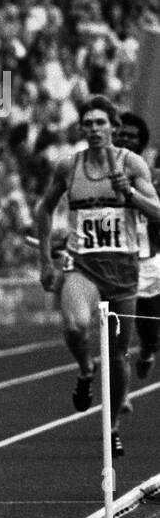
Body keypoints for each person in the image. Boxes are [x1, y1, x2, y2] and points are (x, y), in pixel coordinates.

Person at [34, 96, 160, 457]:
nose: (93, 129)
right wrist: (45, 260)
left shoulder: (131, 164)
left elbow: (157, 212)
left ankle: (113, 425)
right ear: (81, 128)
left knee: (118, 355)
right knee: (75, 327)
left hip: (123, 269)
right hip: (83, 265)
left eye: (100, 123)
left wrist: (130, 194)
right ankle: (85, 369)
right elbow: (44, 210)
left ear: (113, 127)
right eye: (87, 123)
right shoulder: (69, 166)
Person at [113, 114, 160, 393]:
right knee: (116, 334)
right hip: (116, 263)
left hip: (149, 263)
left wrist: (130, 193)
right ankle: (120, 393)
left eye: (132, 135)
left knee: (151, 336)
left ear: (141, 141)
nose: (126, 139)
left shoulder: (154, 177)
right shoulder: (100, 174)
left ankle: (148, 352)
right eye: (121, 134)